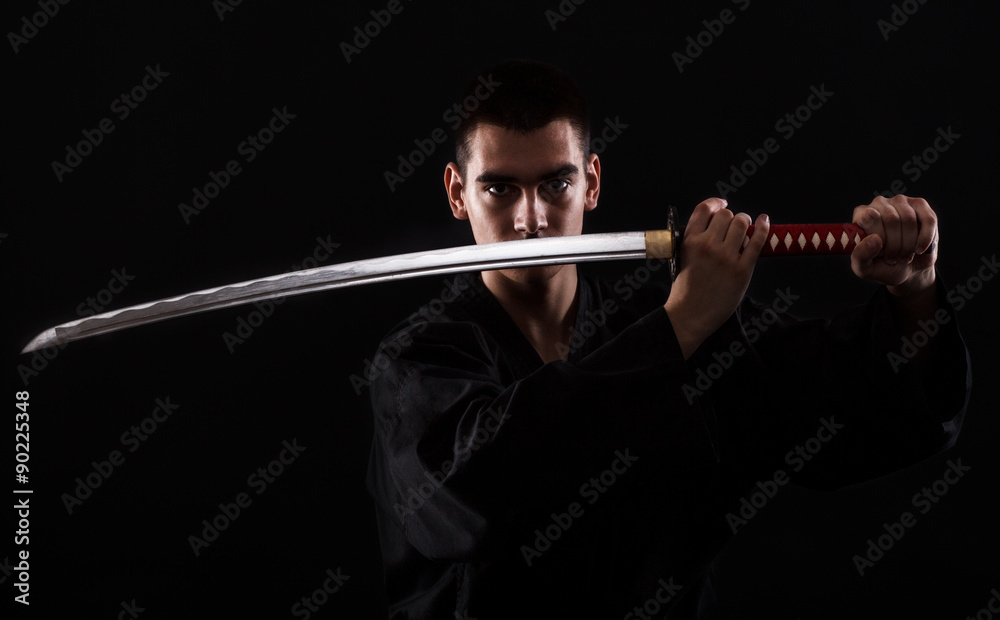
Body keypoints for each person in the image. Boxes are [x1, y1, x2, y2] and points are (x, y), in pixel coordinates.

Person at [365, 59, 970, 618]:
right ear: (457, 193)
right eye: (500, 189)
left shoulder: (687, 324)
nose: (531, 220)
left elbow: (856, 404)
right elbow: (474, 498)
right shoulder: (419, 363)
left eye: (556, 185)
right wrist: (678, 328)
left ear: (591, 182)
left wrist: (913, 289)